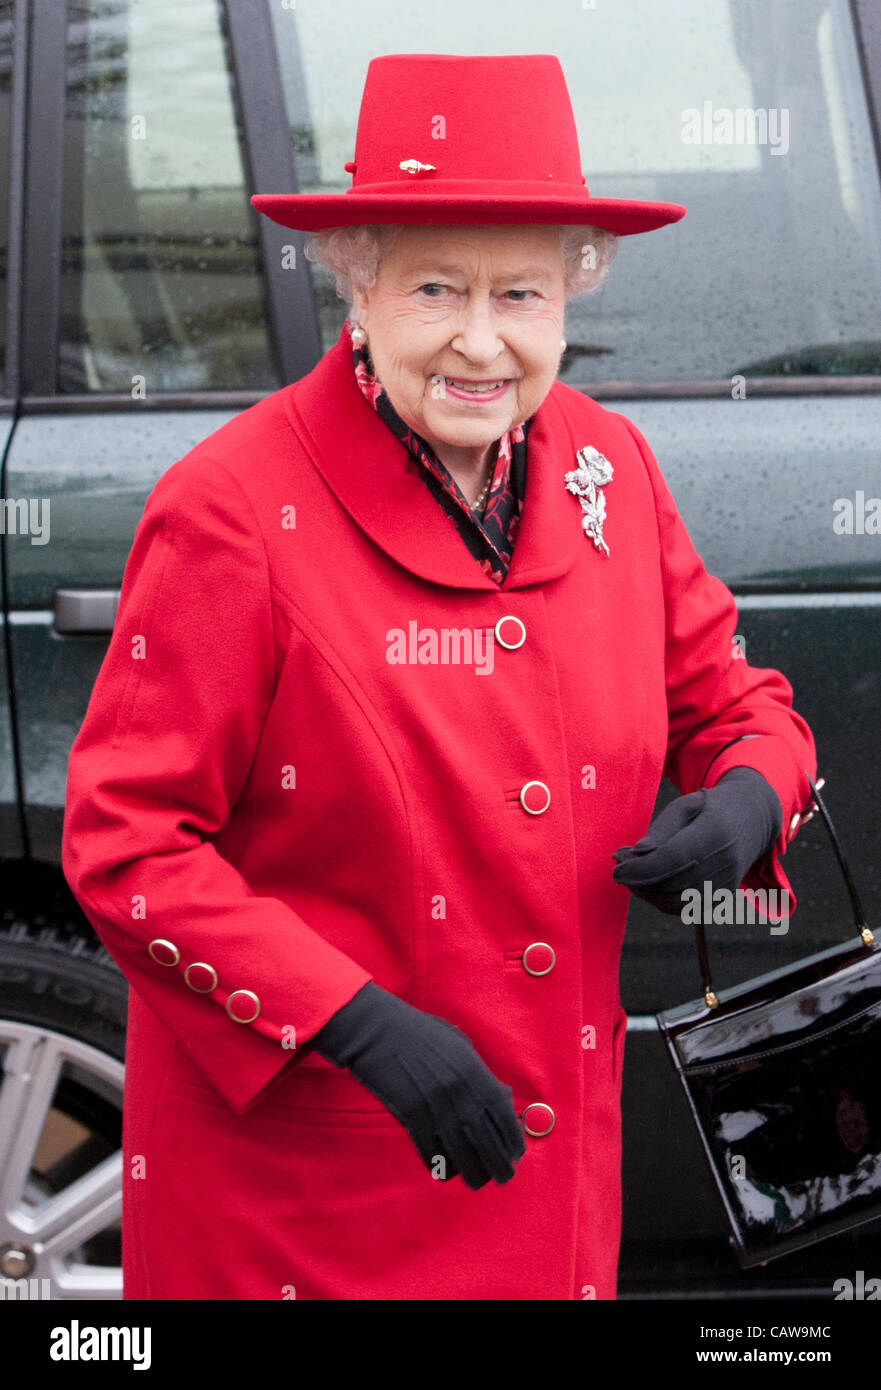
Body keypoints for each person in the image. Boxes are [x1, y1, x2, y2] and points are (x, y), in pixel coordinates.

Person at [62, 52, 817, 1301]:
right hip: (314, 1196)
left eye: (520, 292)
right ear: (353, 280)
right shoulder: (235, 509)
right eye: (433, 288)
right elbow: (127, 841)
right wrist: (350, 1019)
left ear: (574, 287)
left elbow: (739, 704)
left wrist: (747, 798)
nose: (481, 341)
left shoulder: (607, 467)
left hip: (551, 1187)